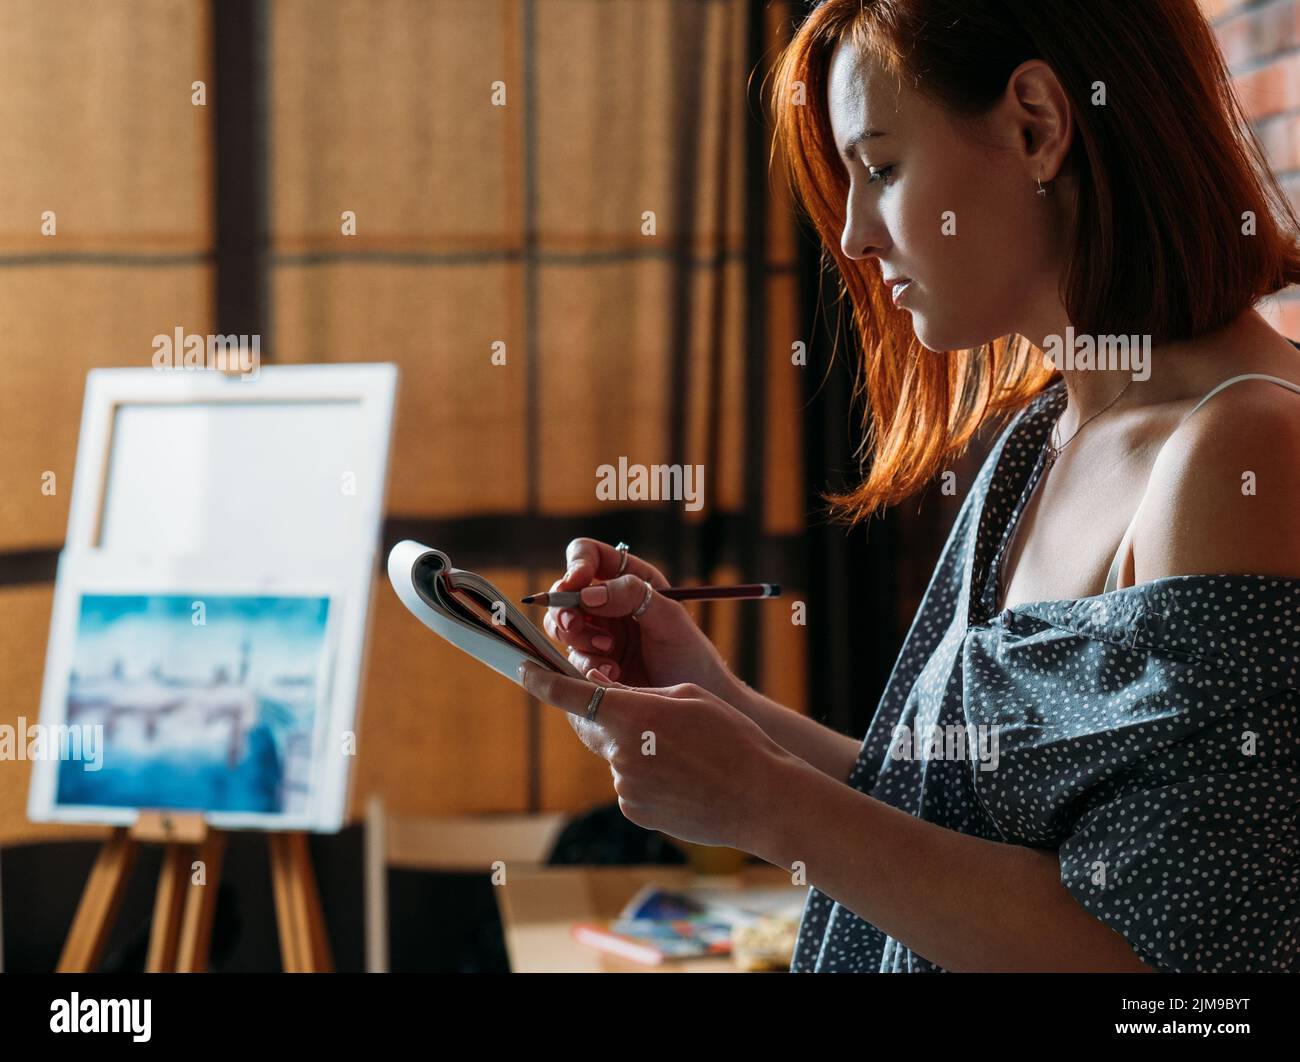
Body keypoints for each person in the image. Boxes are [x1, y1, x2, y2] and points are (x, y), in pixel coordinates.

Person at [516, 0, 1300, 972]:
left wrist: (765, 804)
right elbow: (951, 814)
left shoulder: (1239, 454)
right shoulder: (1043, 438)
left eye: (880, 167)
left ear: (1036, 126)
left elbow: (1186, 991)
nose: (850, 232)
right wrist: (720, 706)